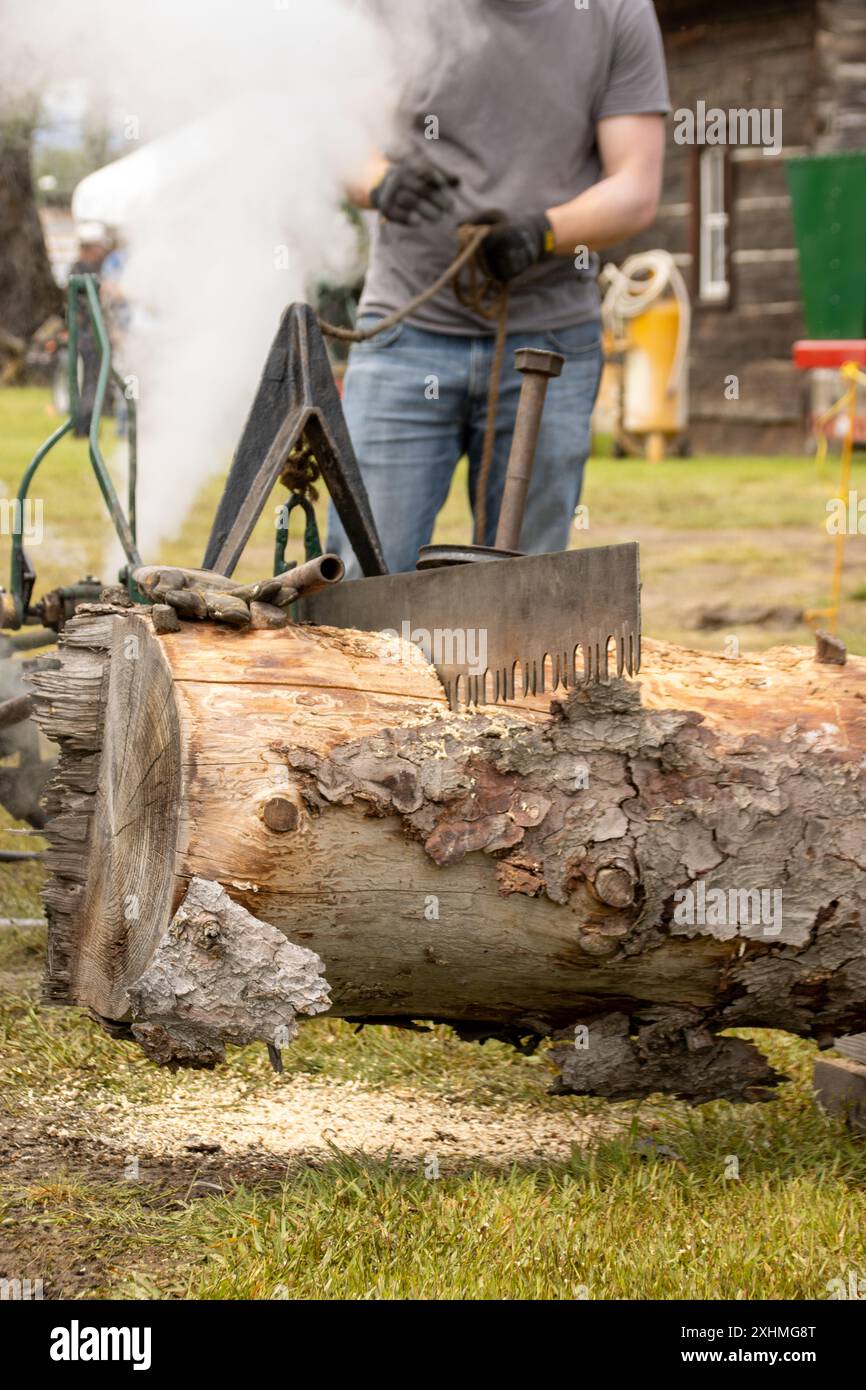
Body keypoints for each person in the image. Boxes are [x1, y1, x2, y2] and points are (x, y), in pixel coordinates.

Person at [328, 0, 670, 577]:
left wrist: (544, 233)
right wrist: (382, 183)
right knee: (360, 579)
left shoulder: (615, 12)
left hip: (550, 342)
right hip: (404, 335)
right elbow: (341, 135)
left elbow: (636, 185)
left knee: (523, 586)